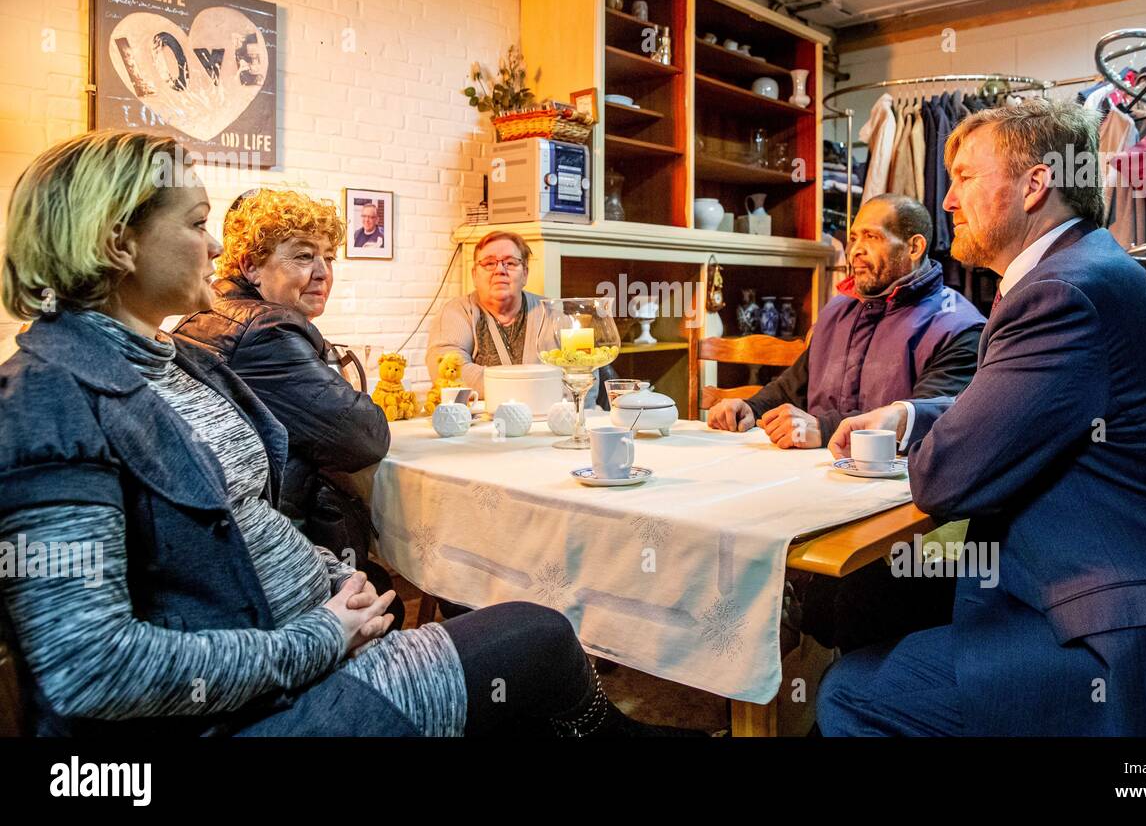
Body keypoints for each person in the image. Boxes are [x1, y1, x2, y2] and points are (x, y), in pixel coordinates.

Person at [0, 130, 694, 737]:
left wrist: (332, 578)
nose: (215, 245)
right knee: (537, 638)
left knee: (530, 668)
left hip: (310, 643)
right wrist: (322, 633)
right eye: (196, 223)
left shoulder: (171, 358)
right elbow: (88, 669)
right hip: (250, 707)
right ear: (118, 242)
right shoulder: (48, 401)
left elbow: (249, 516)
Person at [820, 101, 1146, 736]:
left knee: (848, 691)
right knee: (867, 602)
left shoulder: (1060, 293)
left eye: (964, 177)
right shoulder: (1083, 267)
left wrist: (938, 439)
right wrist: (912, 413)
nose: (947, 202)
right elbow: (1016, 410)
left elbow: (946, 481)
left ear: (1035, 183)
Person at [172, 188, 401, 627]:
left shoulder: (206, 314)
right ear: (251, 266)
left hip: (234, 552)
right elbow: (365, 437)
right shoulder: (266, 329)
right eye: (302, 256)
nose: (322, 273)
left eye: (329, 257)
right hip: (285, 553)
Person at [708, 195, 984, 450]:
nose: (855, 251)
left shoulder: (957, 327)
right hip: (819, 470)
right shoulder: (837, 310)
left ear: (914, 247)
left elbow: (927, 421)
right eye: (853, 237)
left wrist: (823, 429)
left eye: (872, 237)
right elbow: (793, 386)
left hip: (899, 486)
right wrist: (750, 407)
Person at [426, 230, 545, 394]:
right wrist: (532, 385)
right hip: (480, 419)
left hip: (544, 417)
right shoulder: (456, 312)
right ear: (474, 275)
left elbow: (578, 375)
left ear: (525, 274)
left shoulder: (551, 313)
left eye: (510, 263)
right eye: (489, 264)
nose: (500, 270)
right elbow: (448, 374)